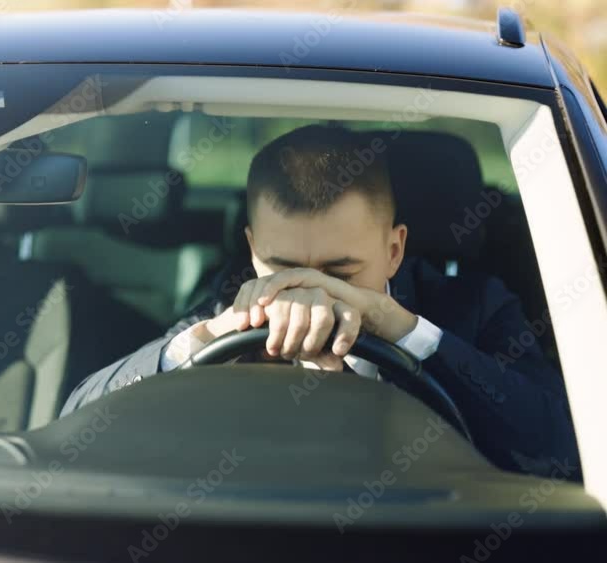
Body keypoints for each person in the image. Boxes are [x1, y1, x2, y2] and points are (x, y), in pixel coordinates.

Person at [60, 124, 578, 478]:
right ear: (252, 248)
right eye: (284, 269)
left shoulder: (475, 308)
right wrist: (209, 339)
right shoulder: (227, 306)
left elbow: (561, 450)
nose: (314, 292)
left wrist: (401, 330)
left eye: (340, 272)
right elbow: (78, 420)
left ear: (394, 249)